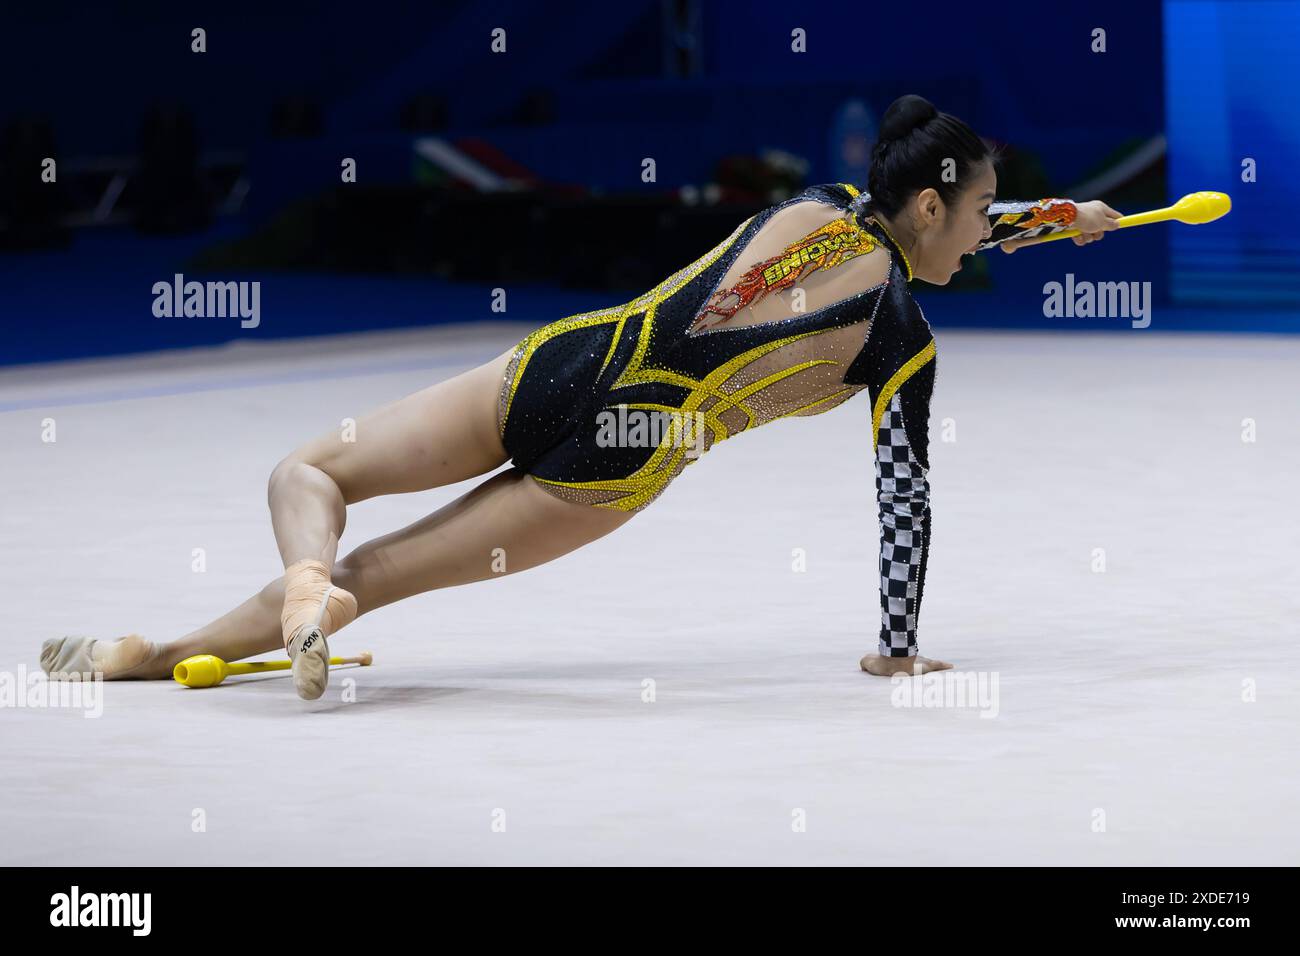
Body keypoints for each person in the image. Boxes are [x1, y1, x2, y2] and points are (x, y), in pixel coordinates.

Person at [40, 94, 1120, 698]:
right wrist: (897, 644)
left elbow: (921, 228)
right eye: (985, 210)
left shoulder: (822, 202)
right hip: (626, 455)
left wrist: (1053, 219)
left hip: (563, 362)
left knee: (308, 471)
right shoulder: (899, 340)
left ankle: (264, 601)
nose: (988, 231)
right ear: (932, 204)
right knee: (378, 579)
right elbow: (904, 502)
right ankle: (277, 617)